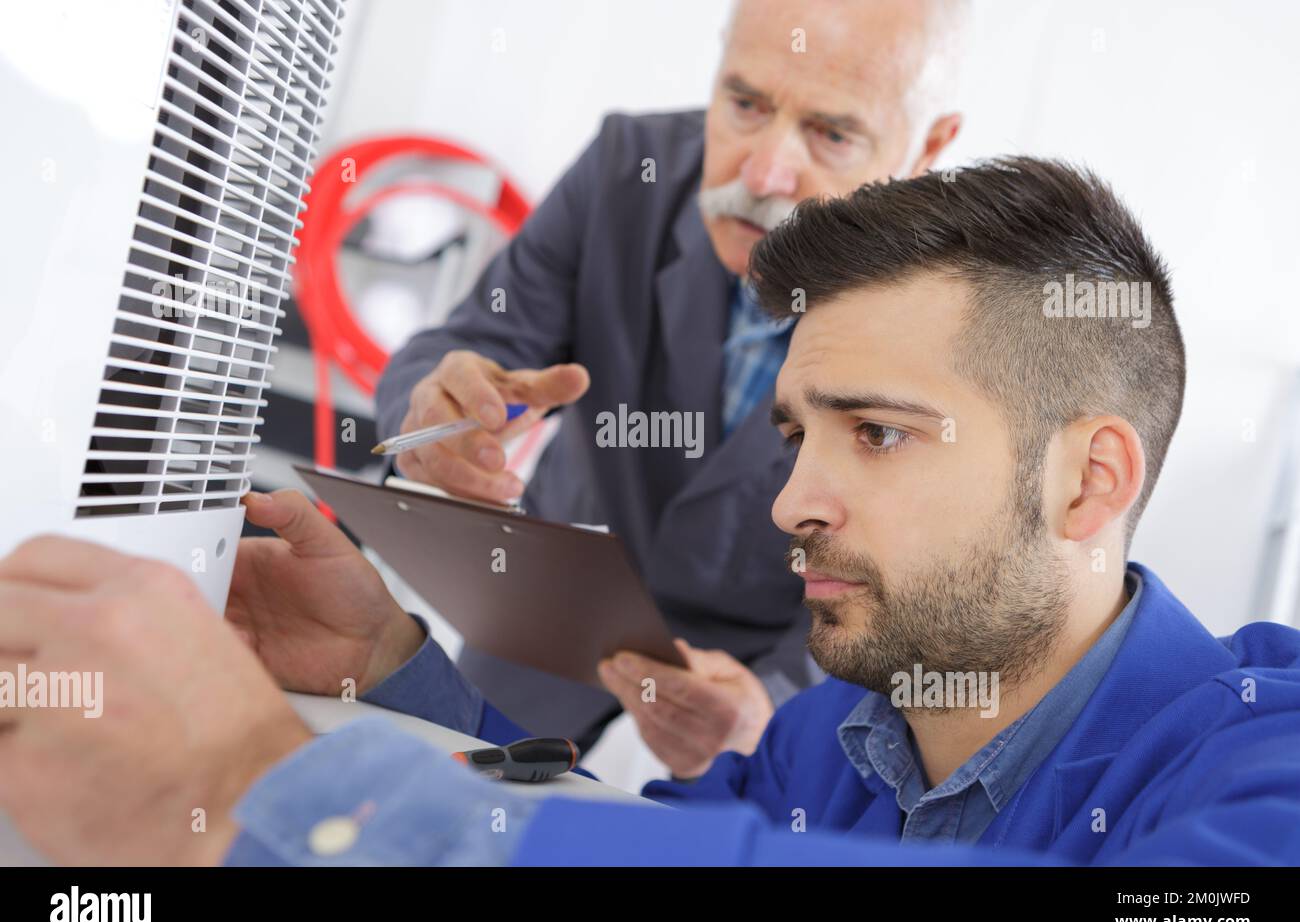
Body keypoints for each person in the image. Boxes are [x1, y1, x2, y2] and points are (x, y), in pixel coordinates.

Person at [5, 157, 1299, 867]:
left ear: (1090, 478)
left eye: (879, 433)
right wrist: (388, 669)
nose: (794, 499)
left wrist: (266, 782)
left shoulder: (1266, 757)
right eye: (798, 435)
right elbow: (579, 839)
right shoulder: (830, 748)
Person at [370, 0, 969, 768]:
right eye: (745, 104)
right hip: (565, 590)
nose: (763, 175)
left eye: (832, 133)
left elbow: (908, 585)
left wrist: (780, 715)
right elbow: (467, 344)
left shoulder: (954, 311)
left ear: (930, 145)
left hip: (782, 642)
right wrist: (436, 408)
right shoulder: (626, 167)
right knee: (455, 798)